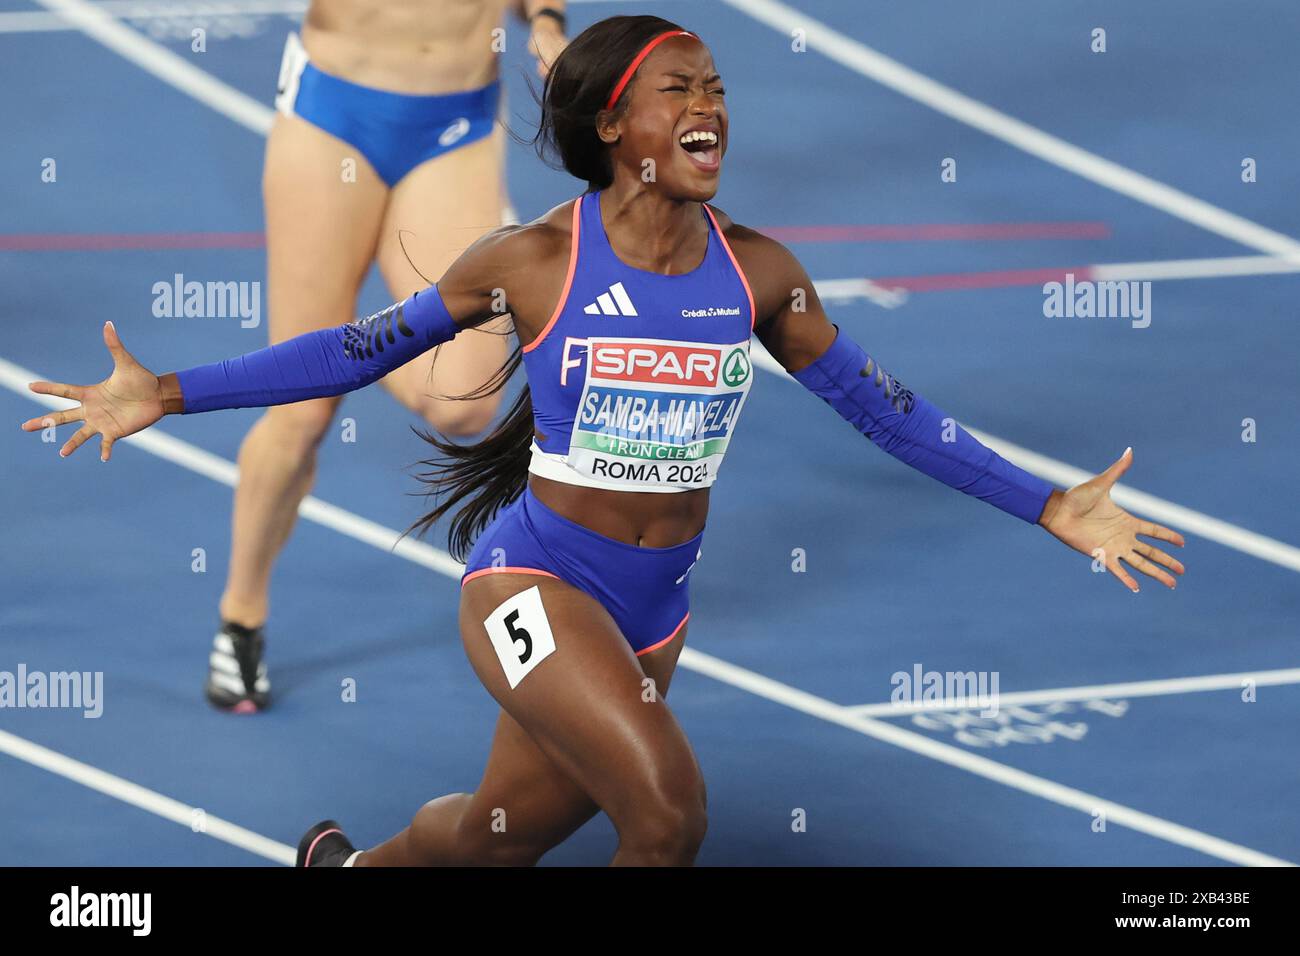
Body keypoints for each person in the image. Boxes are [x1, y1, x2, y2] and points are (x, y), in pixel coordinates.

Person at [22, 15, 1185, 866]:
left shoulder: (760, 273)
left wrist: (1046, 501)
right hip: (532, 584)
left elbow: (884, 408)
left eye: (717, 86)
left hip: (654, 609)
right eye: (679, 88)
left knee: (491, 842)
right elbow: (350, 350)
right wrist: (162, 392)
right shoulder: (533, 262)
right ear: (614, 125)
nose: (709, 106)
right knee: (668, 813)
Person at [206, 0, 568, 712]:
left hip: (456, 127)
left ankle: (346, 350)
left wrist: (548, 20)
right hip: (332, 114)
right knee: (301, 414)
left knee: (465, 401)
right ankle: (241, 615)